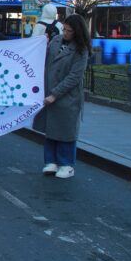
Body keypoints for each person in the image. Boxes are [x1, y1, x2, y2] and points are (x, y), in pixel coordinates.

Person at [34, 14, 91, 179]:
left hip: (67, 97)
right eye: (64, 29)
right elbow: (44, 58)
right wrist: (41, 43)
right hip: (49, 91)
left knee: (66, 131)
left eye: (69, 31)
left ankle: (66, 163)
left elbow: (74, 76)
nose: (65, 33)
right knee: (50, 129)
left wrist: (55, 94)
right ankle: (50, 161)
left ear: (77, 32)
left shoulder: (81, 49)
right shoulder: (56, 41)